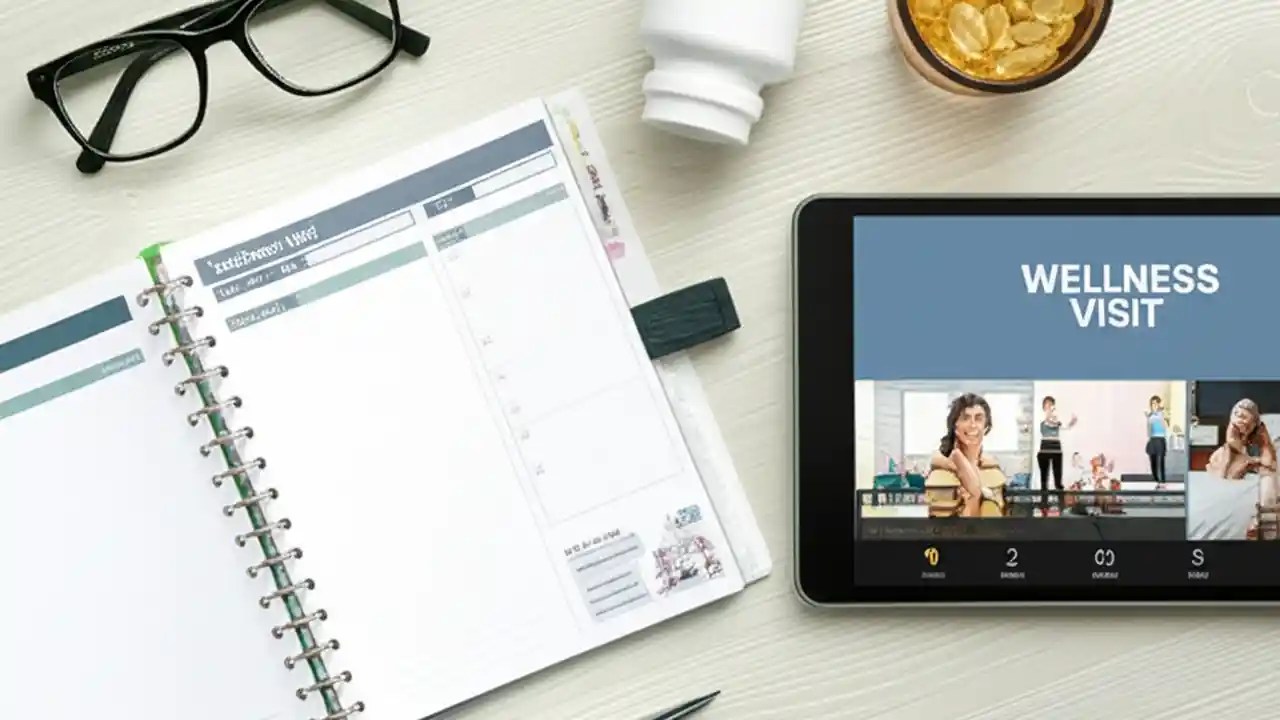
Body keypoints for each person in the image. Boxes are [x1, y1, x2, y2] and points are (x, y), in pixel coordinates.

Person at [925, 393, 1008, 518]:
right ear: (954, 425)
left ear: (986, 426)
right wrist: (973, 497)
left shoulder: (993, 468)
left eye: (978, 418)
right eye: (965, 418)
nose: (973, 425)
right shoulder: (940, 474)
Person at [1036, 396, 1077, 510]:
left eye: (1051, 404)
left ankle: (1061, 504)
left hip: (1056, 450)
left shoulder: (1056, 417)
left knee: (1058, 479)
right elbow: (1049, 422)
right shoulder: (1042, 417)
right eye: (1047, 405)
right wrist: (1052, 416)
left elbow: (1063, 425)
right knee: (1044, 479)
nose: (1049, 407)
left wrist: (1072, 422)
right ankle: (1044, 504)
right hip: (1044, 450)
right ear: (1044, 407)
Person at [1145, 395, 1171, 488]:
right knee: (1153, 462)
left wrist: (1160, 413)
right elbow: (1148, 430)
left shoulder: (1162, 414)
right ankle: (1156, 480)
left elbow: (1165, 425)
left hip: (1160, 439)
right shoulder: (1150, 415)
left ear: (1159, 404)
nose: (1154, 405)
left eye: (1156, 403)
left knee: (1161, 461)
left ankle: (1162, 481)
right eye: (1152, 404)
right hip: (1152, 439)